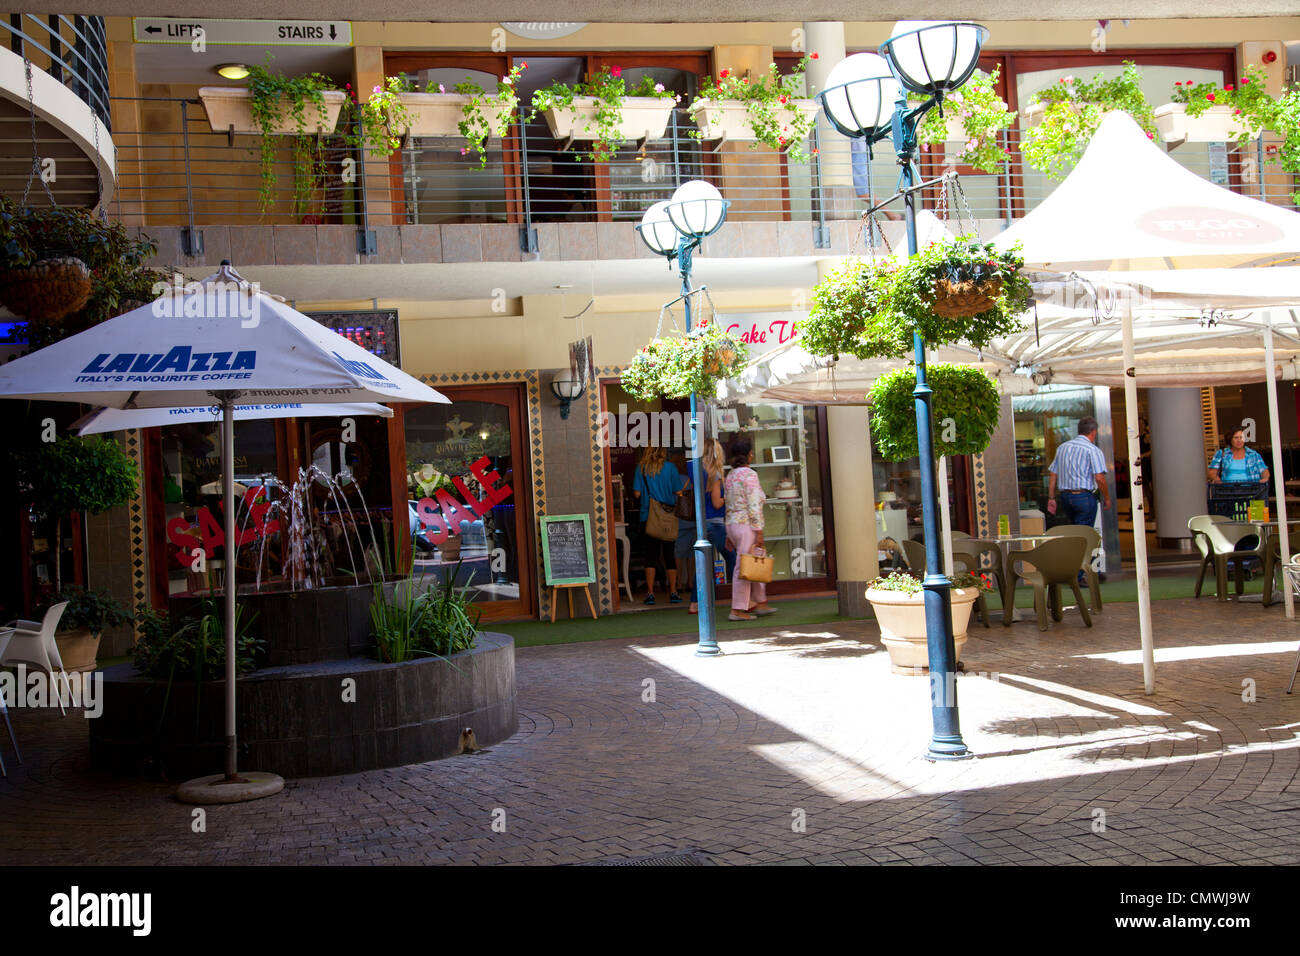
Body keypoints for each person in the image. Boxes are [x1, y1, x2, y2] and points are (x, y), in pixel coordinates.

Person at [676, 439, 733, 615]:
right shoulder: (714, 474)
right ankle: (741, 598)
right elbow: (717, 503)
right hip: (715, 524)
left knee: (704, 566)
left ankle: (695, 603)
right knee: (734, 560)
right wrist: (729, 498)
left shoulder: (696, 470)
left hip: (701, 524)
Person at [724, 439, 774, 621]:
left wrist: (728, 534)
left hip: (732, 524)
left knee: (755, 560)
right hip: (746, 525)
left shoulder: (730, 475)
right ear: (750, 454)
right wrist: (758, 530)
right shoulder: (750, 475)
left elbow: (728, 503)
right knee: (744, 567)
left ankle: (760, 602)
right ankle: (737, 609)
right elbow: (753, 504)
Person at [632, 445, 683, 604]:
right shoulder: (671, 468)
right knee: (669, 555)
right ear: (663, 452)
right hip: (668, 516)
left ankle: (650, 593)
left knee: (651, 556)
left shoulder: (641, 468)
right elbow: (678, 491)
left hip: (649, 517)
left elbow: (637, 493)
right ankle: (673, 592)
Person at [1046, 416, 1110, 528]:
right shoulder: (1093, 450)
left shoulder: (1062, 448)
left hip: (1065, 498)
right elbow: (1099, 478)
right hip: (1084, 496)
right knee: (1084, 534)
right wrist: (1107, 498)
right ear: (1094, 432)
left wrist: (1051, 498)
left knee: (1075, 530)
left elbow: (1053, 474)